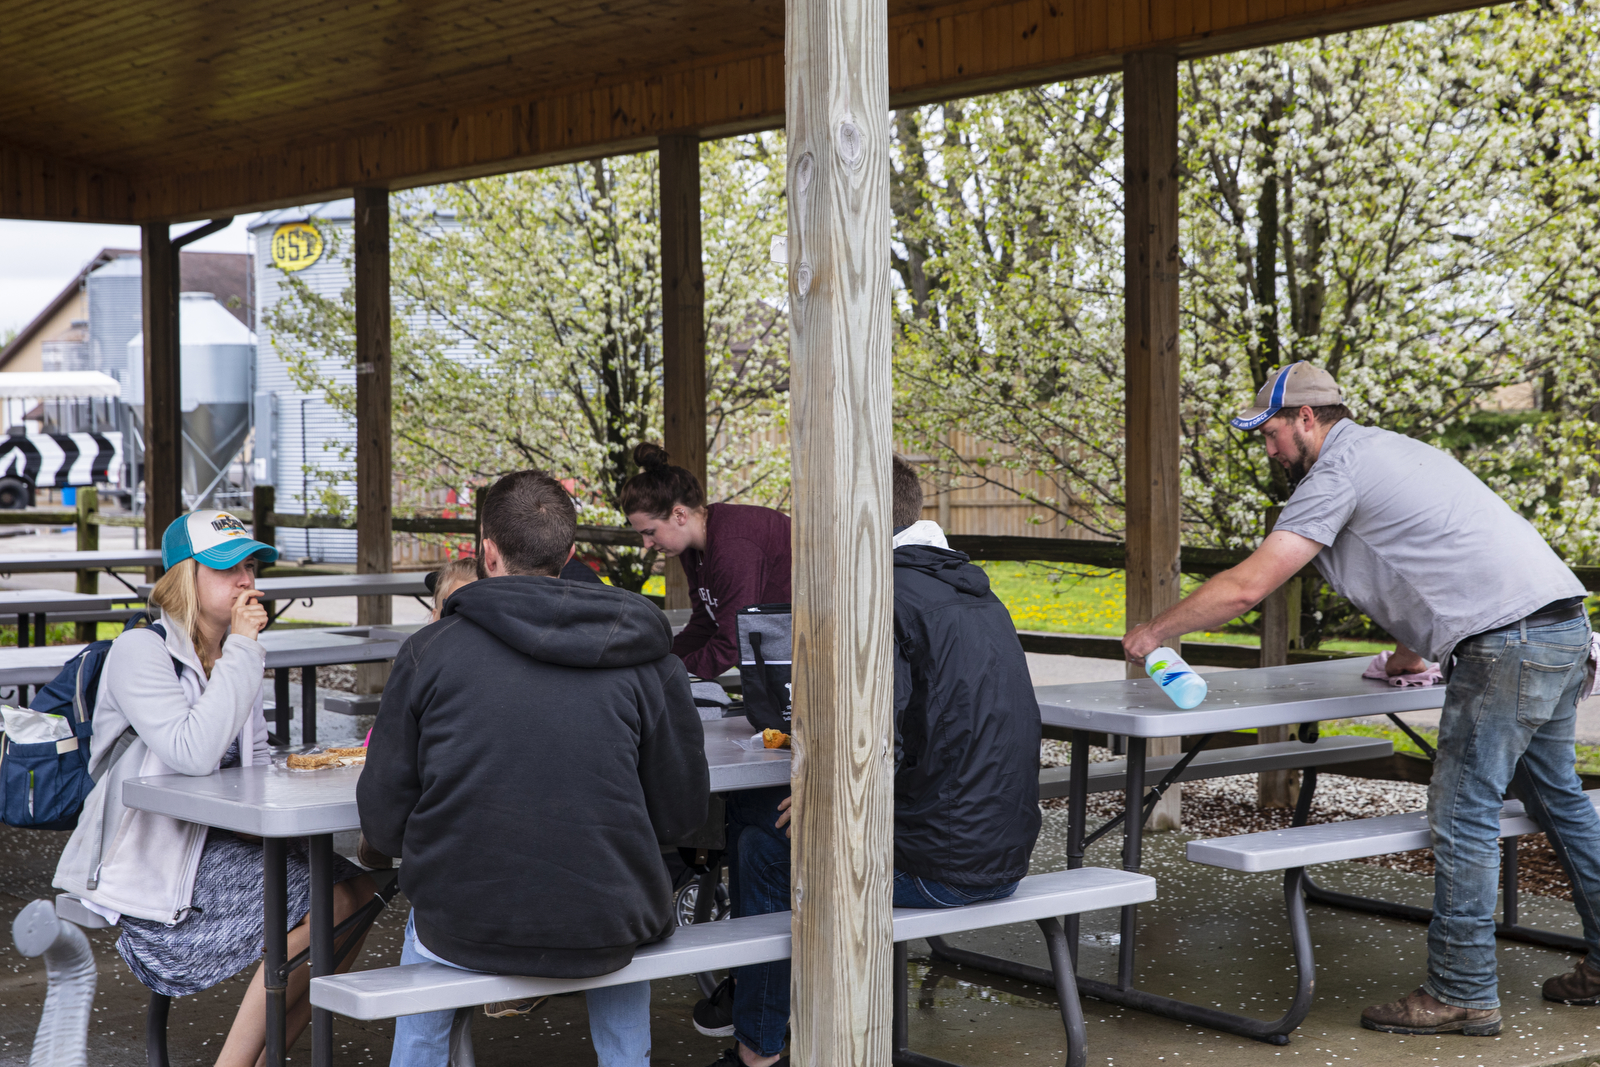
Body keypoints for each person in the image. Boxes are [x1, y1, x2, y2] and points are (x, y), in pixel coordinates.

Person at [1119, 361, 1596, 1037]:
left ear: (1307, 418)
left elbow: (1250, 586)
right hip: (1559, 625)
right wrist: (1407, 656)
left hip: (1507, 645)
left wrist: (1155, 631)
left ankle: (1461, 990)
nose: (1269, 448)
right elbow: (1434, 558)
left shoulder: (1335, 470)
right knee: (1559, 801)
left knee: (1462, 812)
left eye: (1272, 432)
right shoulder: (1394, 451)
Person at [696, 456, 1042, 1067]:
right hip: (1006, 848)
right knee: (770, 812)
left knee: (761, 844)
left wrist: (821, 794)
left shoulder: (879, 599)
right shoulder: (971, 590)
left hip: (944, 867)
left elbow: (880, 740)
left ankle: (758, 1047)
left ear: (850, 521)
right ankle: (757, 991)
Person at [360, 468, 710, 1067]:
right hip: (608, 924)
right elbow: (681, 816)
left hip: (461, 922)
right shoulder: (646, 657)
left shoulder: (428, 653)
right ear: (570, 554)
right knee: (619, 910)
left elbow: (385, 824)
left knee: (423, 962)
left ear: (486, 553)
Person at [52, 510, 376, 1067]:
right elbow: (192, 753)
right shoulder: (141, 652)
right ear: (185, 578)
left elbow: (248, 770)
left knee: (358, 895)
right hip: (151, 864)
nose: (247, 581)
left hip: (218, 842)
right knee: (324, 902)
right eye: (229, 568)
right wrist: (245, 653)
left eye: (251, 566)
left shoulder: (232, 653)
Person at [620, 442, 790, 681]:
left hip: (817, 650)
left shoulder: (734, 546)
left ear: (679, 515)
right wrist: (655, 663)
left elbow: (733, 643)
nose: (647, 544)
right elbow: (705, 624)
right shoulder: (694, 549)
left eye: (649, 532)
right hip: (776, 654)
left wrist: (664, 675)